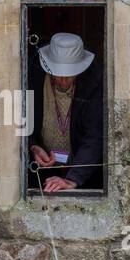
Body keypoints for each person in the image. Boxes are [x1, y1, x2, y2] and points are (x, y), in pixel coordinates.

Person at [29, 32, 104, 193]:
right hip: (41, 169)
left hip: (84, 170)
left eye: (69, 75)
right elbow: (19, 115)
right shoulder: (34, 73)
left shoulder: (94, 81)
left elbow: (95, 135)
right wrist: (32, 145)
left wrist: (72, 179)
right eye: (58, 74)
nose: (63, 81)